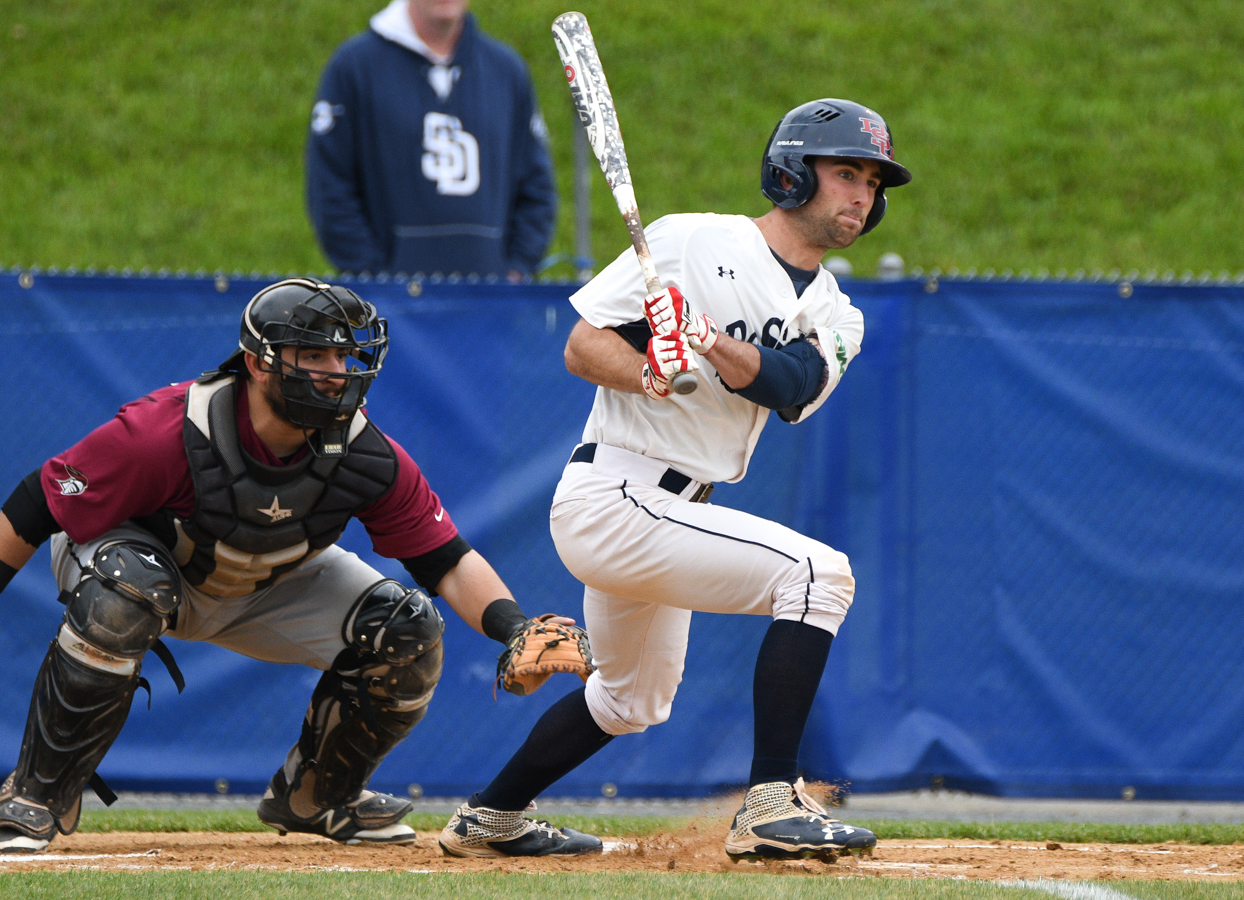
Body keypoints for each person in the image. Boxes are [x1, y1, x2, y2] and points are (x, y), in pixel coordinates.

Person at [436, 98, 913, 861]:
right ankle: (768, 804)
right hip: (616, 494)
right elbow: (585, 348)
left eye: (872, 182)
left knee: (632, 700)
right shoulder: (692, 241)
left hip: (676, 508)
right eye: (845, 173)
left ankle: (491, 818)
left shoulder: (838, 313)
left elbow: (790, 383)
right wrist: (649, 375)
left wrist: (706, 342)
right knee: (819, 576)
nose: (861, 194)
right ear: (791, 173)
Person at [0, 279, 577, 852]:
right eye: (313, 354)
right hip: (142, 565)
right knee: (126, 593)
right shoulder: (166, 430)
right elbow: (35, 504)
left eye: (343, 353)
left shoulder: (367, 453)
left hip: (258, 582)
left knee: (410, 628)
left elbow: (447, 560)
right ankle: (35, 796)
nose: (335, 369)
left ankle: (320, 798)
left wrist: (515, 628)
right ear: (257, 362)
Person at [306, 0, 556, 279]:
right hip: (390, 308)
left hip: (491, 306)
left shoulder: (507, 71)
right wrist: (373, 276)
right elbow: (330, 186)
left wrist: (516, 271)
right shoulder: (354, 68)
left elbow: (536, 187)